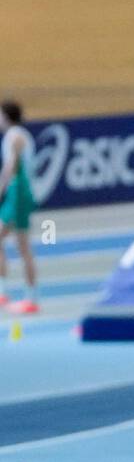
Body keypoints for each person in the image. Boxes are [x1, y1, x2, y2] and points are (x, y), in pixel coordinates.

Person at [0, 100, 40, 314]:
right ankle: (3, 291)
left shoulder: (15, 136)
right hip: (17, 192)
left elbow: (11, 167)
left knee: (23, 246)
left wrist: (1, 188)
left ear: (6, 116)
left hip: (19, 192)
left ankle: (31, 298)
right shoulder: (15, 135)